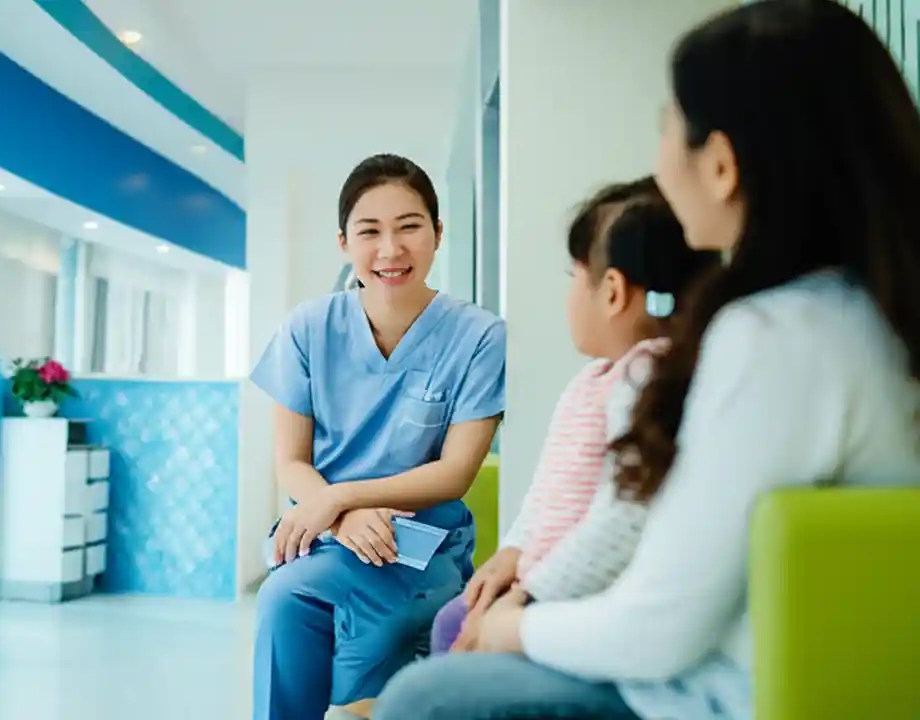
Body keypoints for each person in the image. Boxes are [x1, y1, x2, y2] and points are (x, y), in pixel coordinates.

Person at [375, 1, 920, 718]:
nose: (660, 154)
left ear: (720, 164)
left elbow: (658, 625)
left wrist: (516, 625)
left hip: (723, 692)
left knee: (424, 697)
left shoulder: (774, 339)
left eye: (667, 123)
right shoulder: (860, 318)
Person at [249, 153, 507, 720]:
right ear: (343, 242)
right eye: (370, 231)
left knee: (364, 674)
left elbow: (454, 473)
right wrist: (338, 517)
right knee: (285, 600)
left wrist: (344, 497)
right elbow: (290, 461)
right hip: (327, 537)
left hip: (423, 545)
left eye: (409, 227)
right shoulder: (307, 329)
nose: (390, 250)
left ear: (438, 234)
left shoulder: (479, 337)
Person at [429, 177, 718, 657]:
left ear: (611, 292)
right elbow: (545, 495)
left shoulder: (646, 379)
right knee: (451, 622)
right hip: (538, 583)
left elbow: (623, 519)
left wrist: (525, 600)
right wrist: (512, 553)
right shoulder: (590, 383)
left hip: (573, 599)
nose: (568, 296)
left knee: (453, 636)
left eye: (573, 277)